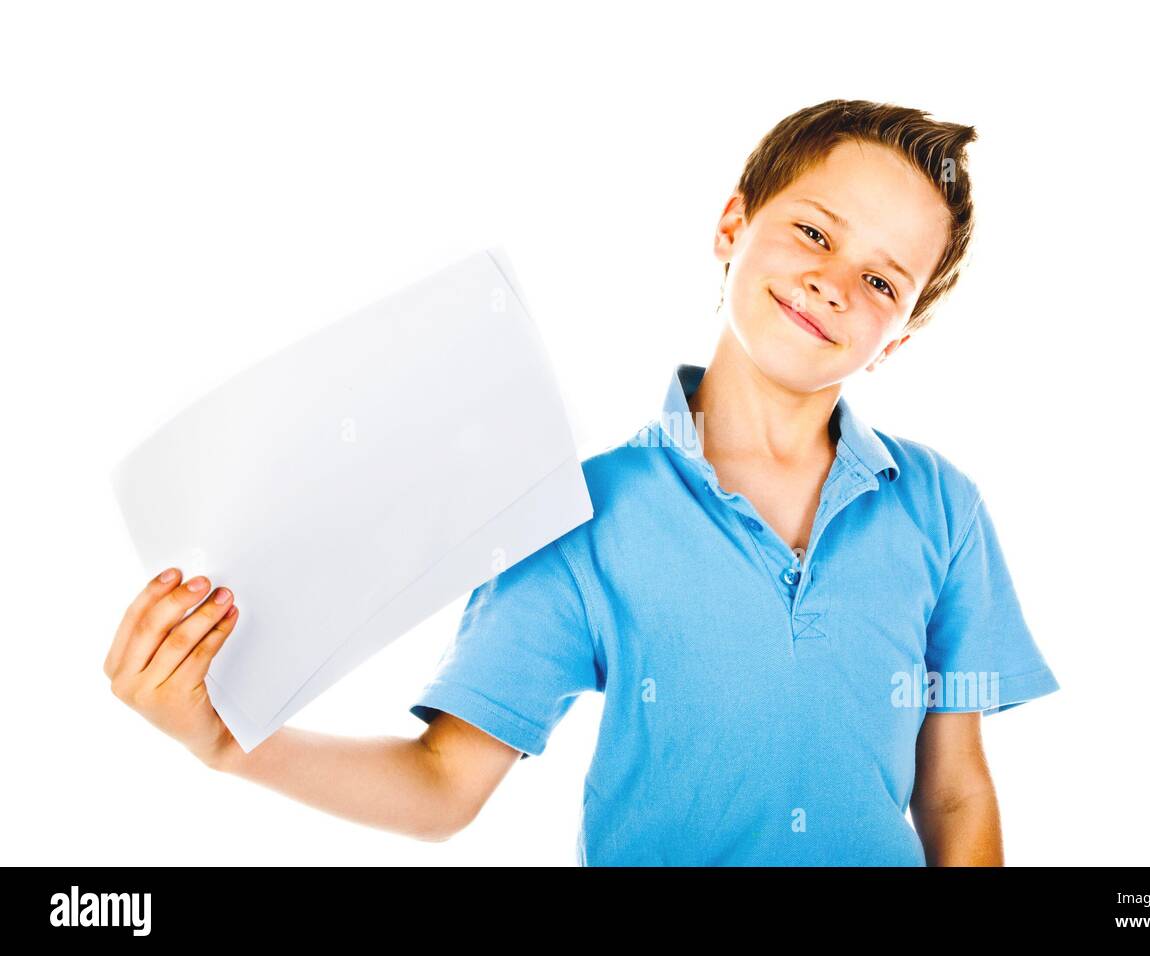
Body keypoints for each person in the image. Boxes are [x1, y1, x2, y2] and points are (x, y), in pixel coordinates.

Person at [105, 98, 1059, 865]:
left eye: (883, 283)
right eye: (814, 232)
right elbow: (443, 786)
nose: (834, 284)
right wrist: (225, 741)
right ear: (733, 223)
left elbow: (955, 789)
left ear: (898, 337)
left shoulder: (940, 508)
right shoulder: (580, 514)